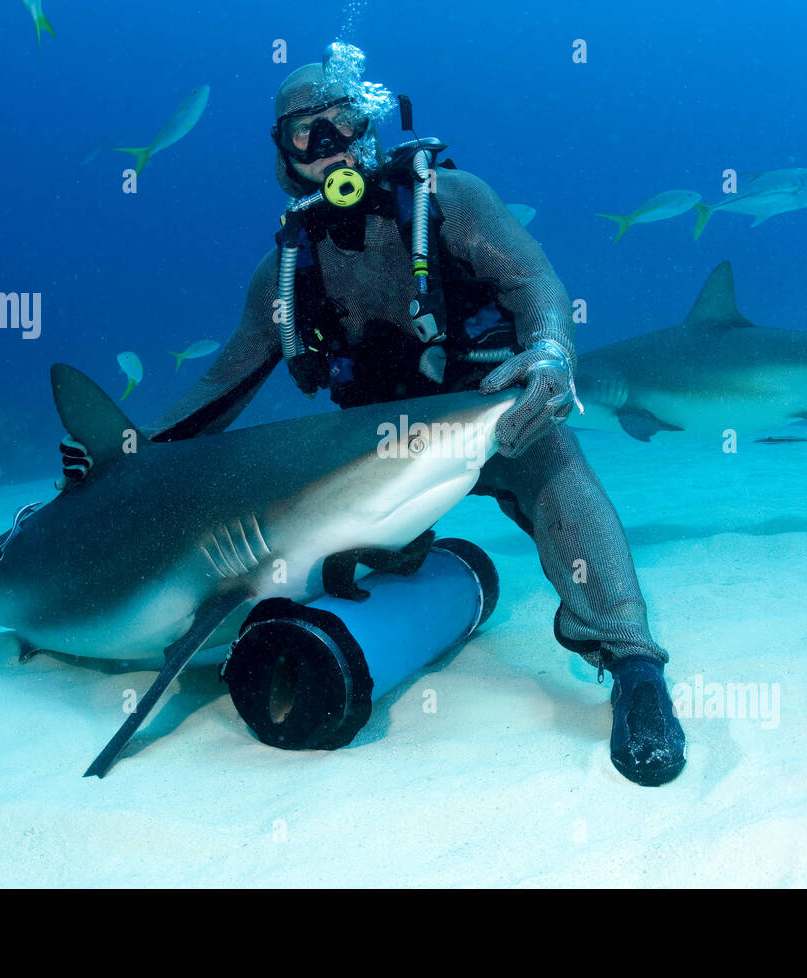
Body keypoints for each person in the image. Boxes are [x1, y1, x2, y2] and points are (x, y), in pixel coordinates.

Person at [63, 63, 686, 786]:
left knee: (561, 472)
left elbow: (533, 282)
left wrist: (549, 349)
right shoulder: (285, 274)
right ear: (285, 156)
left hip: (487, 417)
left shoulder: (451, 201)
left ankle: (634, 663)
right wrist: (125, 454)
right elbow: (217, 387)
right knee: (337, 567)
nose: (328, 143)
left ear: (371, 125)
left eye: (342, 122)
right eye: (306, 133)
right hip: (382, 469)